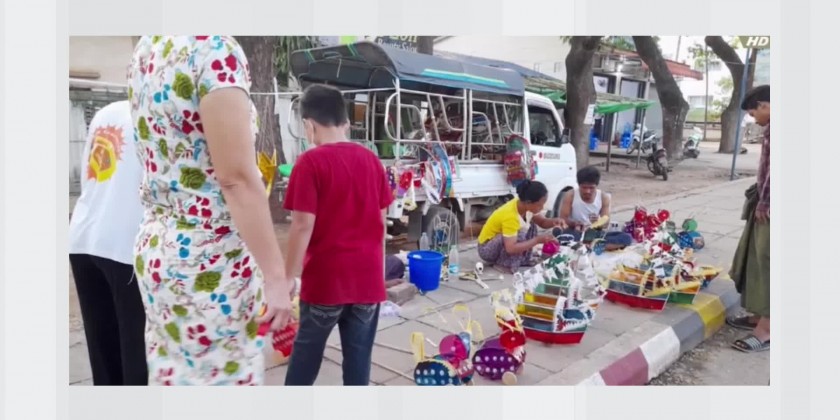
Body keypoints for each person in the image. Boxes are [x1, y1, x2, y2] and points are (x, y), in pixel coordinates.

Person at [127, 36, 293, 386]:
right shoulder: (214, 49)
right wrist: (276, 277)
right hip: (210, 260)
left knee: (176, 377)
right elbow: (236, 178)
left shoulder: (148, 47)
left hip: (158, 248)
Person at [282, 84, 394, 386]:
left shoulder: (309, 162)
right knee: (358, 361)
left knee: (305, 359)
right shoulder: (372, 161)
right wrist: (377, 273)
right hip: (367, 283)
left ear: (309, 125)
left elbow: (302, 225)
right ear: (345, 122)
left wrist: (288, 278)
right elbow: (381, 224)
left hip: (326, 283)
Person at [69, 100, 147, 385]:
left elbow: (88, 172)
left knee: (103, 350)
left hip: (84, 234)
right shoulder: (159, 111)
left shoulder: (108, 111)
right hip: (127, 242)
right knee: (137, 353)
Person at [727, 85, 770, 353]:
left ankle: (767, 330)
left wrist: (766, 202)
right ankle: (759, 315)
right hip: (765, 205)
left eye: (754, 113)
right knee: (755, 259)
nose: (754, 118)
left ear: (765, 105)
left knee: (768, 263)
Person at [477, 180, 564, 274]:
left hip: (501, 243)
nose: (542, 208)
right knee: (520, 235)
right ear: (528, 202)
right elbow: (510, 248)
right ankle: (504, 265)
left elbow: (542, 222)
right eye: (540, 205)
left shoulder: (524, 206)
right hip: (487, 249)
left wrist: (554, 221)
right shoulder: (510, 215)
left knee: (531, 226)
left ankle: (524, 259)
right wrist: (537, 240)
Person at [556, 166, 633, 250]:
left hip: (594, 233)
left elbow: (606, 223)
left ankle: (588, 246)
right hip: (575, 232)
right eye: (584, 187)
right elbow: (563, 219)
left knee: (627, 238)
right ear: (578, 185)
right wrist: (575, 224)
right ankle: (590, 246)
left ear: (596, 185)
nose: (587, 191)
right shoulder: (570, 195)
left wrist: (598, 222)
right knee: (559, 234)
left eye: (591, 188)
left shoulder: (603, 197)